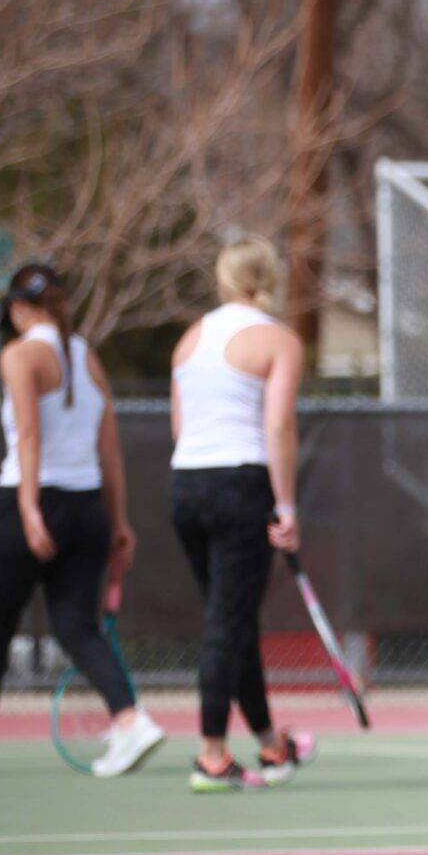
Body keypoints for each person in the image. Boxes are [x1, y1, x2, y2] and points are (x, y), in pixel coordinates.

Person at [0, 263, 165, 780]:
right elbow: (111, 453)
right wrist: (119, 522)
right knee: (77, 627)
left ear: (17, 309)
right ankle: (129, 718)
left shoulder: (19, 355)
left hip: (29, 502)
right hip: (86, 509)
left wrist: (30, 511)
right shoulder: (88, 358)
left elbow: (29, 437)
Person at [168, 239, 316, 792]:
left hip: (187, 485)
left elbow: (180, 427)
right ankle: (210, 754)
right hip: (240, 484)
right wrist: (285, 506)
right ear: (268, 279)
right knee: (227, 624)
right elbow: (277, 427)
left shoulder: (189, 340)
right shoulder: (278, 339)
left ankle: (271, 745)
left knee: (232, 620)